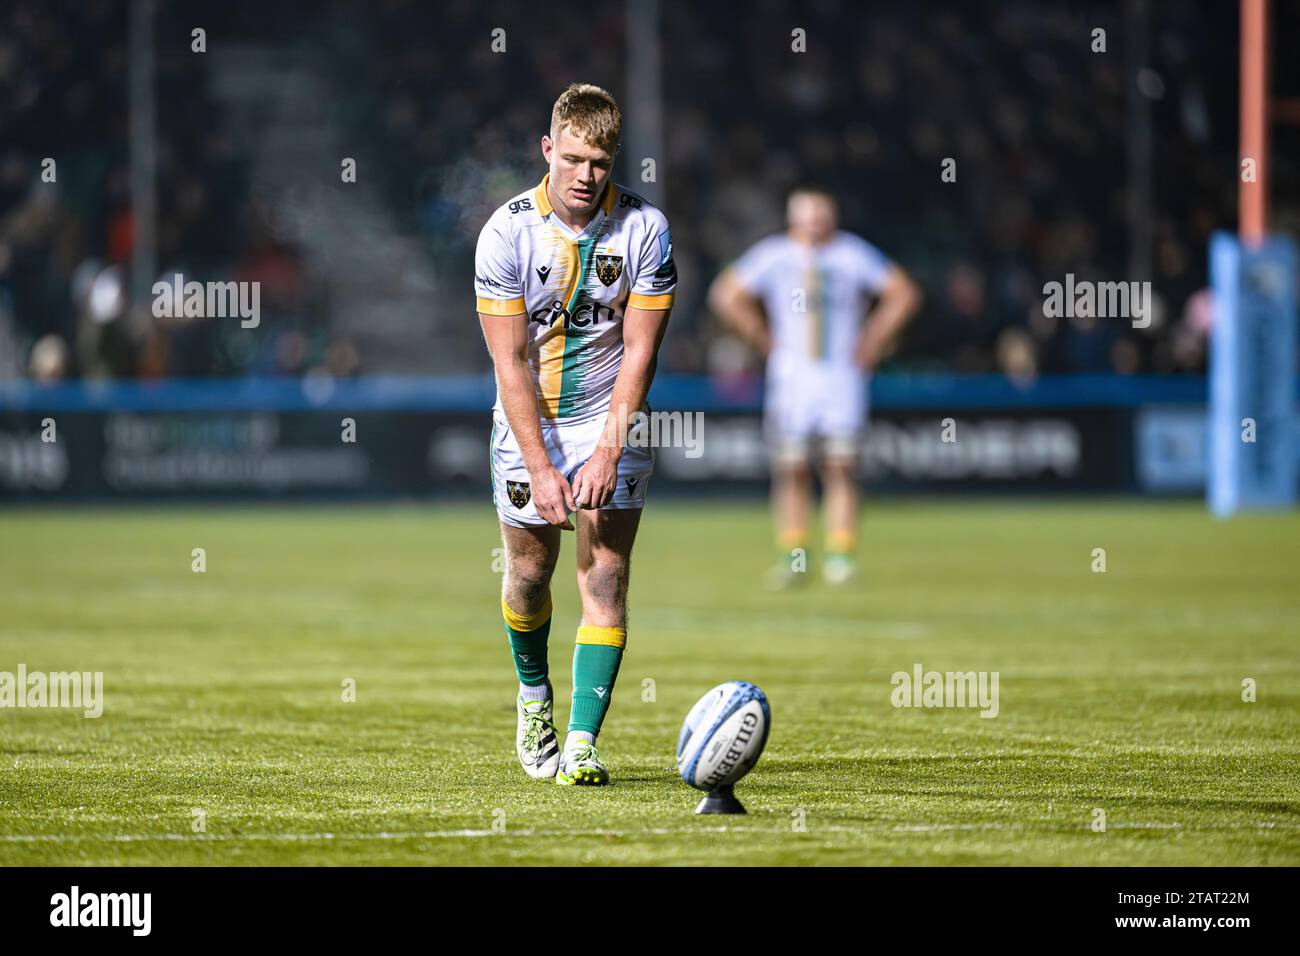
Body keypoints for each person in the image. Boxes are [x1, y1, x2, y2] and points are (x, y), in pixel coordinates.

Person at [474, 83, 676, 785]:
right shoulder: (505, 233)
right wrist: (546, 463)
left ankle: (584, 742)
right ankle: (534, 699)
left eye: (601, 161)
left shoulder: (645, 228)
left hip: (609, 415)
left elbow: (642, 351)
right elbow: (508, 361)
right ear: (547, 150)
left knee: (606, 571)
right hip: (531, 418)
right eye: (574, 159)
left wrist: (608, 449)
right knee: (529, 573)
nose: (587, 175)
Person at [709, 184, 920, 587]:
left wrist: (873, 338)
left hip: (841, 375)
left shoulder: (851, 253)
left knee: (840, 465)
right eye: (808, 215)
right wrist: (759, 335)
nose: (815, 223)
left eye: (822, 215)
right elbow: (726, 293)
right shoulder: (774, 255)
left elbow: (903, 293)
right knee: (792, 468)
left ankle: (841, 556)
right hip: (792, 377)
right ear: (793, 218)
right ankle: (796, 557)